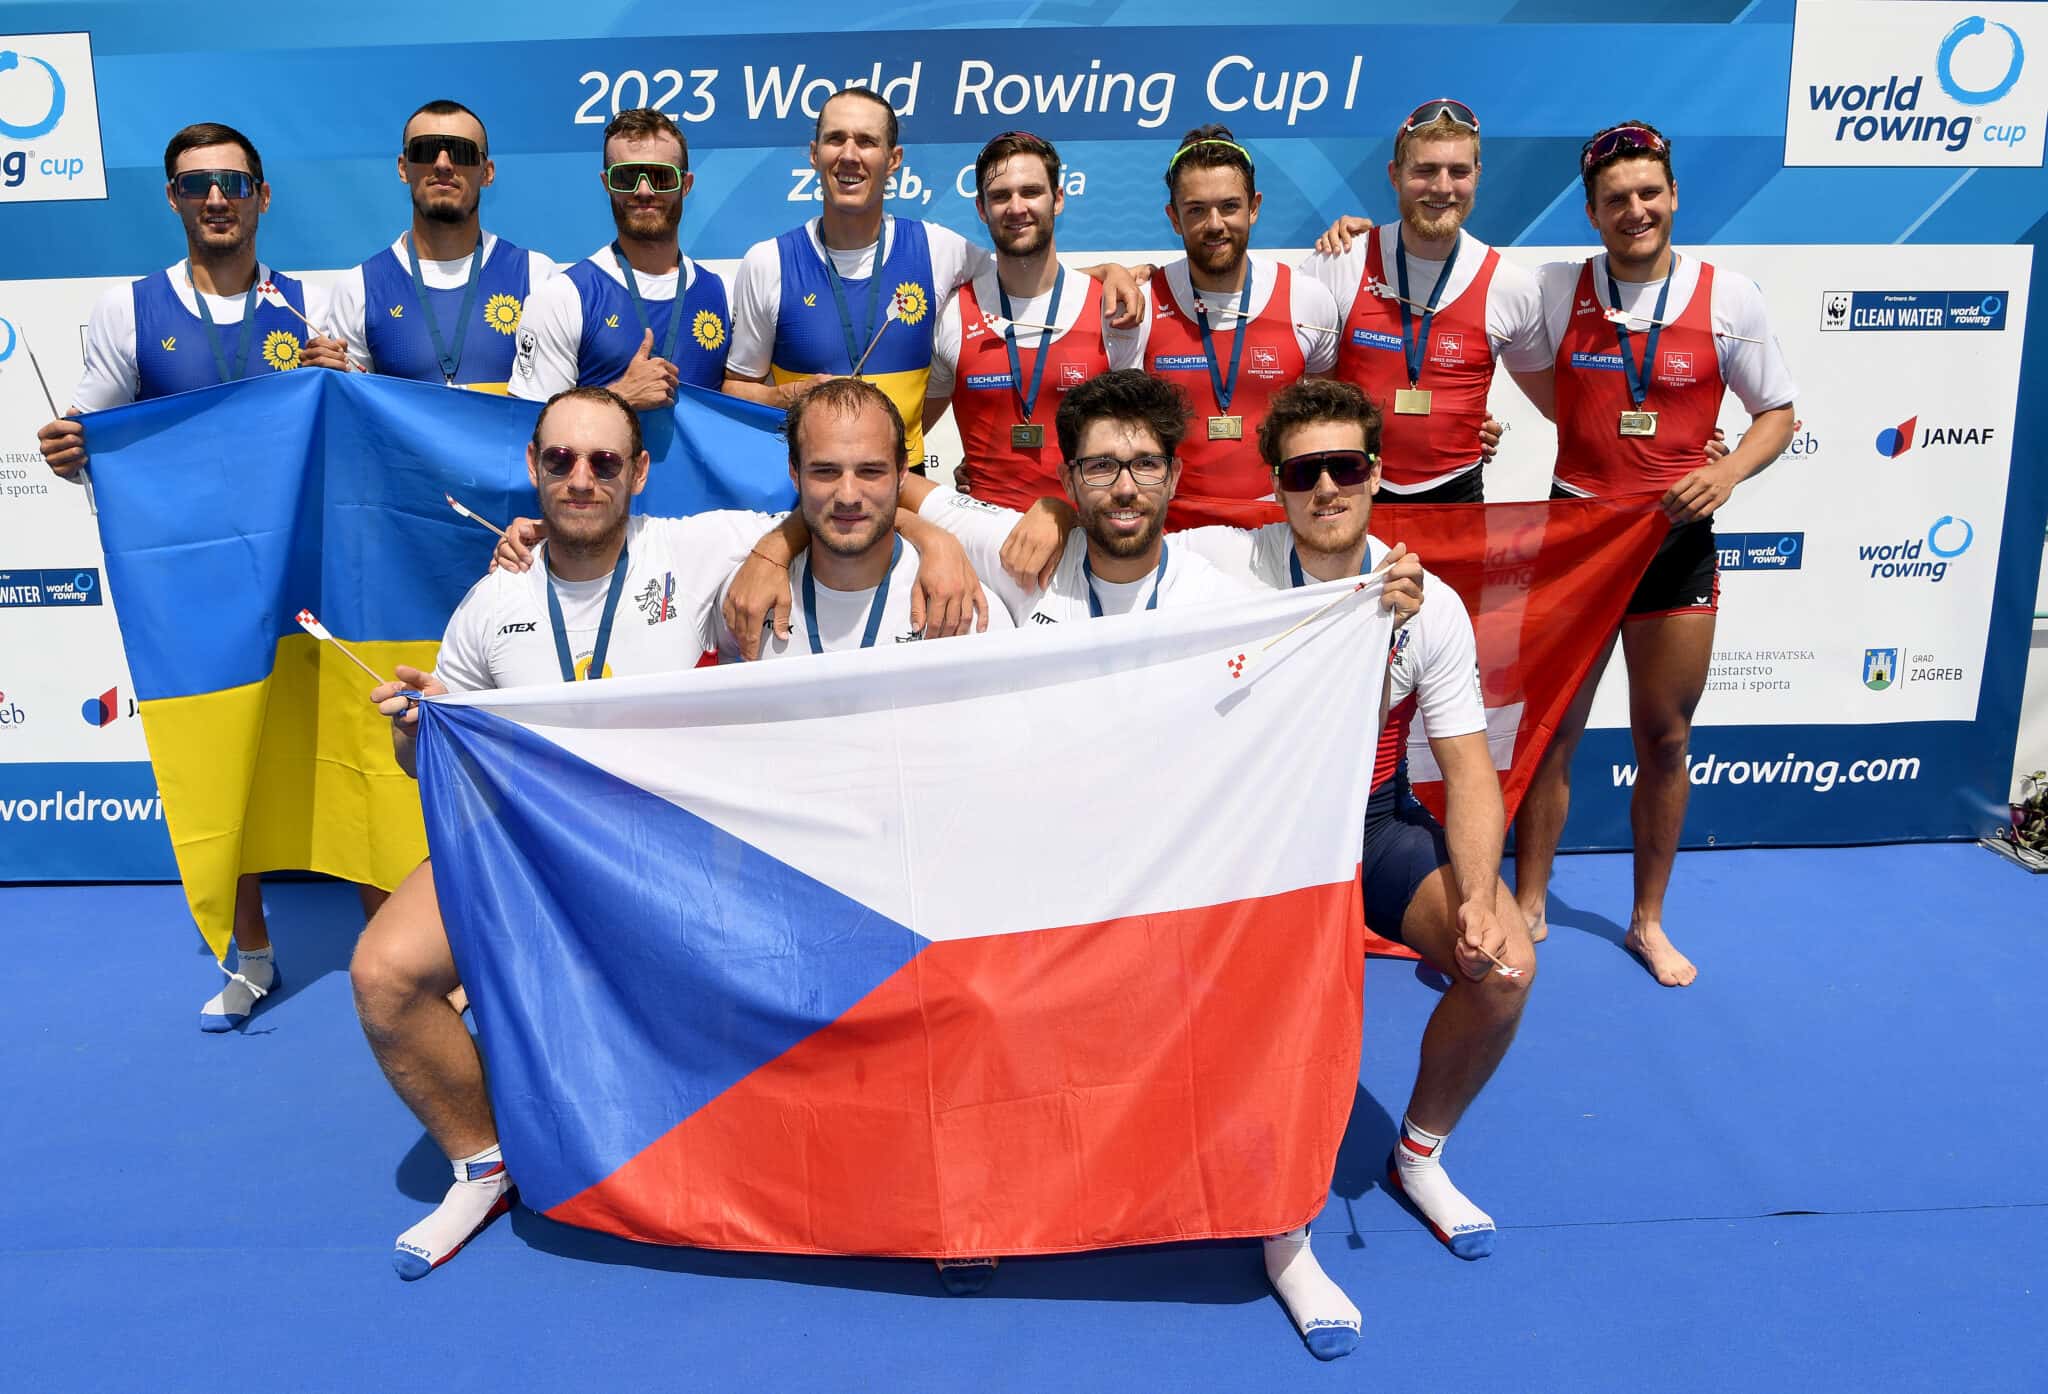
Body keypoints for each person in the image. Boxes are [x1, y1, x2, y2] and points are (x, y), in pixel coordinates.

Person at [1002, 375, 1527, 1294]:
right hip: (1254, 831)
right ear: (1274, 486)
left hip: (1366, 820)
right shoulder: (1225, 565)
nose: (1325, 488)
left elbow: (1471, 770)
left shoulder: (1426, 602)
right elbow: (1124, 521)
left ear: (1376, 475)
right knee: (1282, 1008)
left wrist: (1480, 897)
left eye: (1345, 468)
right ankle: (1279, 1218)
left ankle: (1417, 1154)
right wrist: (1051, 508)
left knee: (1507, 969)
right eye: (1302, 473)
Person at [35, 121, 350, 1032]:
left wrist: (343, 375)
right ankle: (251, 953)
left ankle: (389, 939)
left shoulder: (314, 306)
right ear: (173, 198)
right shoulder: (127, 310)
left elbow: (354, 432)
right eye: (195, 184)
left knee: (347, 743)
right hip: (199, 586)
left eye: (233, 182)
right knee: (221, 762)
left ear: (262, 196)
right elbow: (92, 437)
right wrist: (69, 452)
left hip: (304, 574)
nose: (216, 198)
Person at [1511, 121, 1796, 987]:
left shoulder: (1730, 297)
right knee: (1552, 732)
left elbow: (1778, 413)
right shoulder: (1556, 288)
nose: (1634, 210)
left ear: (1673, 196)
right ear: (1591, 213)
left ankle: (1647, 921)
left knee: (1665, 738)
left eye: (1648, 193)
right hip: (1577, 540)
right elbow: (1500, 340)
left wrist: (1728, 472)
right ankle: (1529, 902)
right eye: (1615, 199)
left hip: (1675, 544)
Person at [721, 88, 1142, 466]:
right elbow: (734, 389)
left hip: (907, 486)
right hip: (804, 483)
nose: (849, 154)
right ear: (815, 154)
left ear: (894, 160)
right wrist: (781, 397)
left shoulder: (937, 249)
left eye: (866, 141)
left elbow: (1023, 279)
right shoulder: (769, 262)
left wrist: (1105, 273)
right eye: (836, 139)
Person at [1304, 99, 1547, 501]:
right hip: (1352, 494)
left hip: (1456, 498)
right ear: (1395, 175)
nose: (1442, 187)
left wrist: (1470, 421)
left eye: (1459, 171)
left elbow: (1564, 408)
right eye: (1425, 170)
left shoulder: (1510, 285)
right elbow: (1287, 382)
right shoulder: (1341, 261)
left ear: (1477, 175)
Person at [1106, 125, 1341, 515]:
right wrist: (1106, 270)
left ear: (1254, 207)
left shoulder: (1308, 299)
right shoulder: (1142, 303)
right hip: (1175, 523)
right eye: (1196, 210)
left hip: (1279, 520)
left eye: (1229, 206)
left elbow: (1327, 422)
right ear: (1174, 218)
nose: (1215, 224)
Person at [722, 377, 1012, 658]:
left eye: (870, 471)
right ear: (794, 473)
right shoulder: (740, 597)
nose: (848, 496)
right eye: (826, 471)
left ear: (902, 473)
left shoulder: (972, 614)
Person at [923, 130, 1137, 508]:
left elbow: (1137, 440)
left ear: (1058, 199)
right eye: (1000, 196)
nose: (1016, 207)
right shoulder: (952, 313)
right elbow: (909, 433)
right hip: (982, 532)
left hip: (1086, 528)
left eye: (1031, 192)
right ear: (981, 209)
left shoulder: (1110, 309)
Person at [328, 99, 557, 390]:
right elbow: (352, 404)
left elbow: (555, 401)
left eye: (461, 152)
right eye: (425, 150)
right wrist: (326, 377)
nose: (443, 164)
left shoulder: (537, 277)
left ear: (487, 173)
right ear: (403, 168)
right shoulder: (358, 288)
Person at [511, 108, 726, 407]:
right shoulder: (561, 297)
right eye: (626, 177)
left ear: (685, 185)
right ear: (606, 183)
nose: (644, 190)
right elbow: (528, 422)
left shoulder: (722, 292)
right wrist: (621, 397)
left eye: (661, 177)